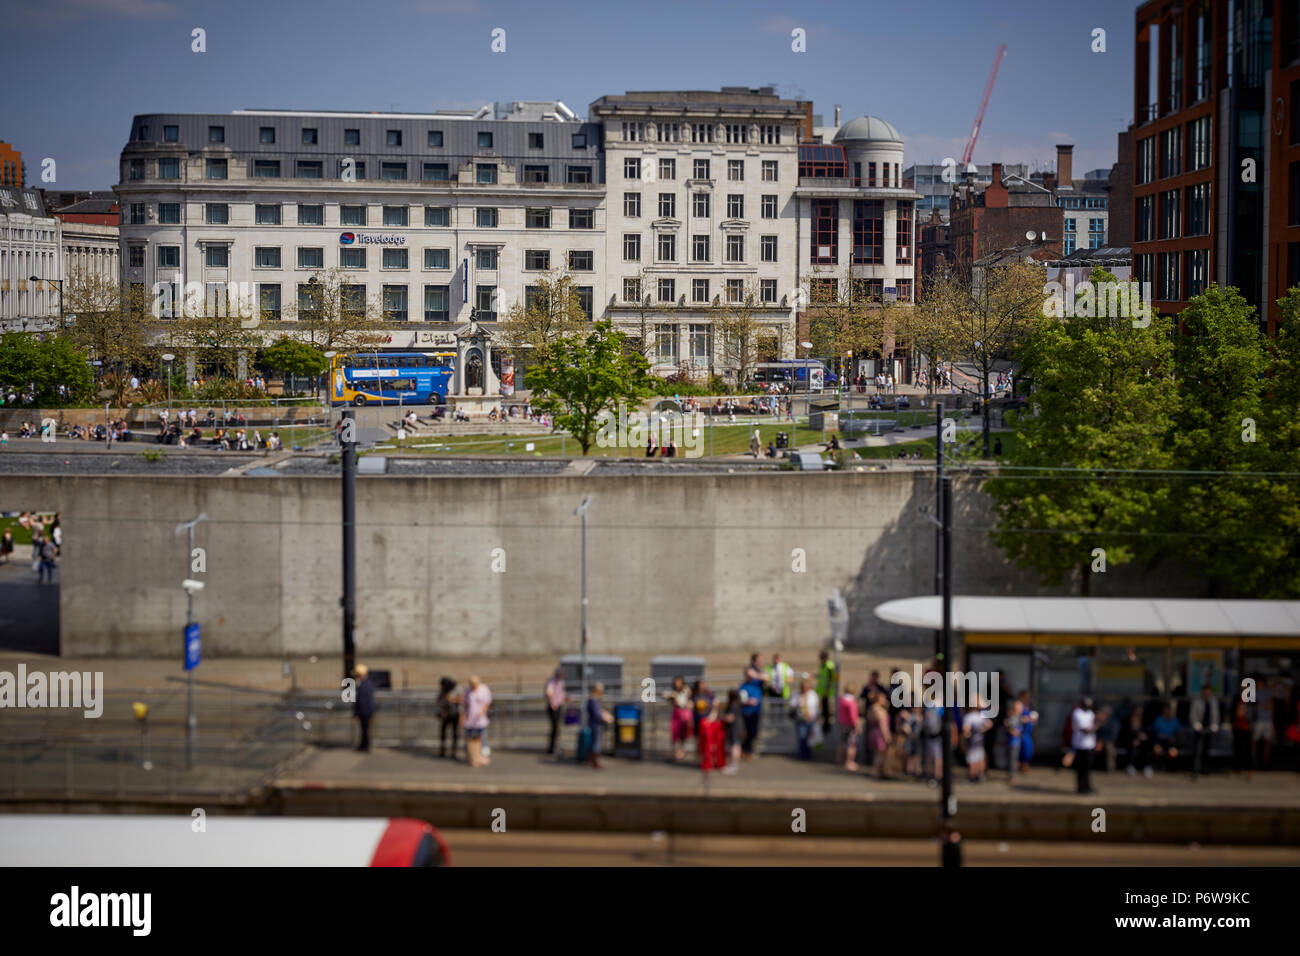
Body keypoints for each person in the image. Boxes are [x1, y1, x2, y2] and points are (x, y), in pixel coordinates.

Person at [1189, 685, 1221, 779]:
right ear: (1202, 692)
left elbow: (1216, 714)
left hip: (1209, 728)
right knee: (1198, 750)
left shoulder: (1214, 701)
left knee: (1207, 750)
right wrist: (1196, 724)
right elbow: (1192, 714)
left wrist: (1215, 724)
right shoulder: (1196, 701)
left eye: (1208, 693)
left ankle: (1205, 769)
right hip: (1199, 728)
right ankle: (1195, 770)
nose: (1207, 695)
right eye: (1205, 693)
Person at [462, 675, 492, 767]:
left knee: (482, 738)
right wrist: (463, 716)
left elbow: (487, 702)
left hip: (480, 719)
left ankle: (483, 756)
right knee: (470, 738)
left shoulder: (484, 689)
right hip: (470, 719)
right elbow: (465, 704)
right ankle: (472, 756)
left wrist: (482, 711)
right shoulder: (468, 691)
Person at [1071, 697, 1098, 794]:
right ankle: (1081, 788)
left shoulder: (1090, 713)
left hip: (1089, 744)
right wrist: (1096, 726)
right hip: (1080, 745)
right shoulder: (1077, 713)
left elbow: (1093, 725)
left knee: (1088, 767)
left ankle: (1087, 786)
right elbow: (1085, 730)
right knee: (1080, 767)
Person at [585, 682, 614, 769]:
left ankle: (591, 760)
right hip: (595, 723)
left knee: (594, 742)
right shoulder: (593, 700)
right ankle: (595, 762)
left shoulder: (592, 699)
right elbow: (597, 713)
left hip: (593, 723)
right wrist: (605, 718)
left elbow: (598, 711)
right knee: (596, 743)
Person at [962, 698, 992, 782]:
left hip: (972, 741)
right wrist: (981, 730)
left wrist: (968, 735)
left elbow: (966, 730)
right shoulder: (981, 716)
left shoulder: (968, 717)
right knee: (980, 757)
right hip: (980, 740)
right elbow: (989, 724)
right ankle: (980, 774)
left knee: (972, 758)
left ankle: (972, 775)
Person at [739, 667, 764, 760]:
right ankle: (746, 751)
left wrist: (756, 675)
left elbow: (767, 678)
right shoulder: (743, 686)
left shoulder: (757, 683)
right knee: (747, 733)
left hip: (756, 712)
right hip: (746, 712)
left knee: (754, 732)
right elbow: (741, 700)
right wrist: (748, 702)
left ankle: (747, 750)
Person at [793, 676, 820, 761]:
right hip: (801, 719)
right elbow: (792, 704)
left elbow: (816, 706)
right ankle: (802, 754)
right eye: (803, 687)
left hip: (811, 719)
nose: (805, 689)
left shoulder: (813, 694)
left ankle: (809, 753)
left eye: (806, 687)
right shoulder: (797, 694)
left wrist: (815, 716)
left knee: (810, 737)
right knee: (802, 736)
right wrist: (799, 701)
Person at [837, 683, 861, 772]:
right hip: (850, 725)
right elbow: (853, 716)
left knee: (843, 742)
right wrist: (857, 726)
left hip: (843, 724)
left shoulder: (841, 700)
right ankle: (849, 762)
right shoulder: (851, 701)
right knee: (852, 745)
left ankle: (839, 759)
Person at [668, 676, 693, 761]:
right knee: (675, 732)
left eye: (679, 682)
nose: (677, 684)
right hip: (677, 714)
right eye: (676, 683)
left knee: (683, 734)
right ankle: (676, 750)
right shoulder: (673, 692)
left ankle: (681, 750)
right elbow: (675, 704)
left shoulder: (686, 691)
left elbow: (686, 703)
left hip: (684, 715)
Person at [1151, 703, 1181, 772]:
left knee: (1173, 752)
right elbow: (1154, 732)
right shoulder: (1158, 720)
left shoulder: (1175, 720)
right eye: (1166, 710)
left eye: (1169, 710)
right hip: (1160, 741)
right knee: (1157, 750)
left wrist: (1174, 738)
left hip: (1171, 742)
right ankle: (1157, 766)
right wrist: (1163, 736)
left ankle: (1168, 768)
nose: (1167, 712)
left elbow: (1178, 733)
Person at [353, 664, 376, 752]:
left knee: (365, 730)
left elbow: (362, 701)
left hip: (365, 712)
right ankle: (363, 745)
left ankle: (365, 746)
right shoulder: (365, 683)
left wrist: (357, 712)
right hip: (365, 711)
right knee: (364, 730)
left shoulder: (365, 684)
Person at [544, 668, 566, 756]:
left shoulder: (561, 682)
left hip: (559, 705)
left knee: (556, 728)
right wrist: (552, 703)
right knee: (554, 728)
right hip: (553, 707)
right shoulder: (551, 681)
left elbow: (561, 693)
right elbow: (549, 693)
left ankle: (555, 747)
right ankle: (551, 748)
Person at [721, 689, 744, 773]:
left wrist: (722, 717)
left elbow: (730, 718)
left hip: (734, 728)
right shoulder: (738, 704)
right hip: (738, 727)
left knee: (734, 746)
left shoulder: (732, 705)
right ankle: (735, 764)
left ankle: (733, 765)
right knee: (737, 746)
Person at [437, 677, 460, 759]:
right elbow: (438, 700)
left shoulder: (457, 688)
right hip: (445, 714)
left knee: (455, 733)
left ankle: (454, 752)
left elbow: (461, 699)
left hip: (455, 713)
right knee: (443, 733)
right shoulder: (443, 689)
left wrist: (451, 700)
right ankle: (443, 750)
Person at [1125, 705, 1151, 777]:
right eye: (1137, 712)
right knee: (1133, 746)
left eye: (1140, 712)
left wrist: (1141, 738)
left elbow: (1147, 731)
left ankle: (1147, 767)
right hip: (1130, 741)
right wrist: (1135, 739)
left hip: (1142, 741)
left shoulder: (1144, 720)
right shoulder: (1128, 720)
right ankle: (1130, 766)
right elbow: (1125, 732)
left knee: (1147, 746)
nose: (1139, 713)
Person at [1230, 696, 1253, 776]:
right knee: (1237, 748)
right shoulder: (1236, 699)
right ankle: (1237, 768)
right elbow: (1232, 711)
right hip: (1237, 727)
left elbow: (1253, 712)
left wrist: (1251, 723)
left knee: (1247, 749)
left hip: (1247, 728)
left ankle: (1248, 769)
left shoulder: (1251, 700)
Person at [815, 650, 837, 735]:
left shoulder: (829, 666)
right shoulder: (823, 665)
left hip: (827, 692)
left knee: (827, 710)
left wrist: (827, 691)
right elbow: (823, 676)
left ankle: (827, 726)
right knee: (824, 709)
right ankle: (825, 724)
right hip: (823, 691)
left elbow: (832, 679)